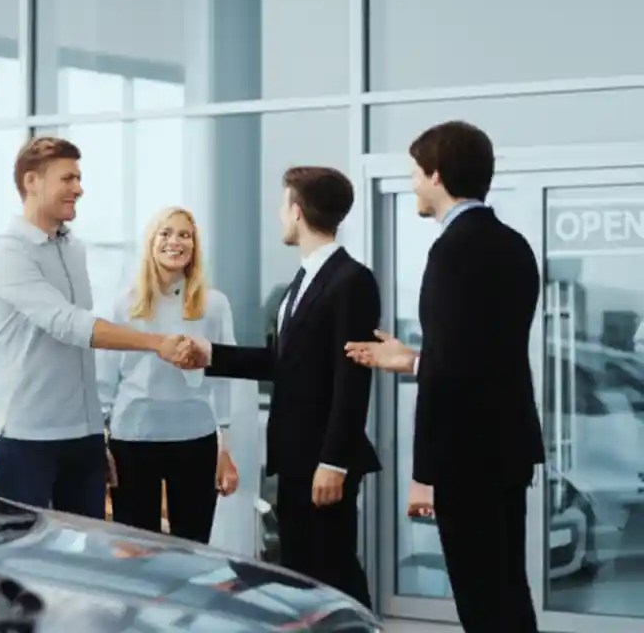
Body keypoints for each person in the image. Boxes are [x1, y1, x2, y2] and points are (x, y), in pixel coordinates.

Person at [345, 121, 542, 633]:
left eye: (415, 172)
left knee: (482, 601)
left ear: (437, 174)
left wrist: (424, 473)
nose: (412, 183)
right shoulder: (515, 245)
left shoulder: (452, 251)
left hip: (467, 457)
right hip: (508, 448)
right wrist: (416, 358)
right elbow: (485, 355)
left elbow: (456, 370)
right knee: (507, 592)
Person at [193, 166, 381, 607]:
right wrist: (211, 354)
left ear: (297, 211)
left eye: (283, 205)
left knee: (333, 571)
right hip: (296, 457)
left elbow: (352, 378)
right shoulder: (302, 280)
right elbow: (284, 363)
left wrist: (334, 461)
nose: (280, 215)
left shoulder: (350, 280)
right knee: (301, 571)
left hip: (323, 459)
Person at [0, 136, 197, 519]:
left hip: (82, 439)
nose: (79, 189)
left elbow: (80, 358)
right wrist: (157, 343)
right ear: (32, 182)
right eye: (68, 179)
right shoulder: (9, 254)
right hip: (27, 438)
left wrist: (95, 435)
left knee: (88, 550)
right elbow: (69, 324)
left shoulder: (73, 248)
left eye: (79, 178)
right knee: (27, 550)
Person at [96, 206, 257, 548]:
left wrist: (226, 451)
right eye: (166, 233)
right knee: (136, 548)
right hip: (132, 439)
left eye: (185, 235)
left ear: (194, 246)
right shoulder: (124, 304)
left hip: (195, 439)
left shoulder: (214, 305)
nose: (175, 241)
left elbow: (224, 380)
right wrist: (100, 442)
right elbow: (104, 379)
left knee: (193, 548)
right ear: (151, 242)